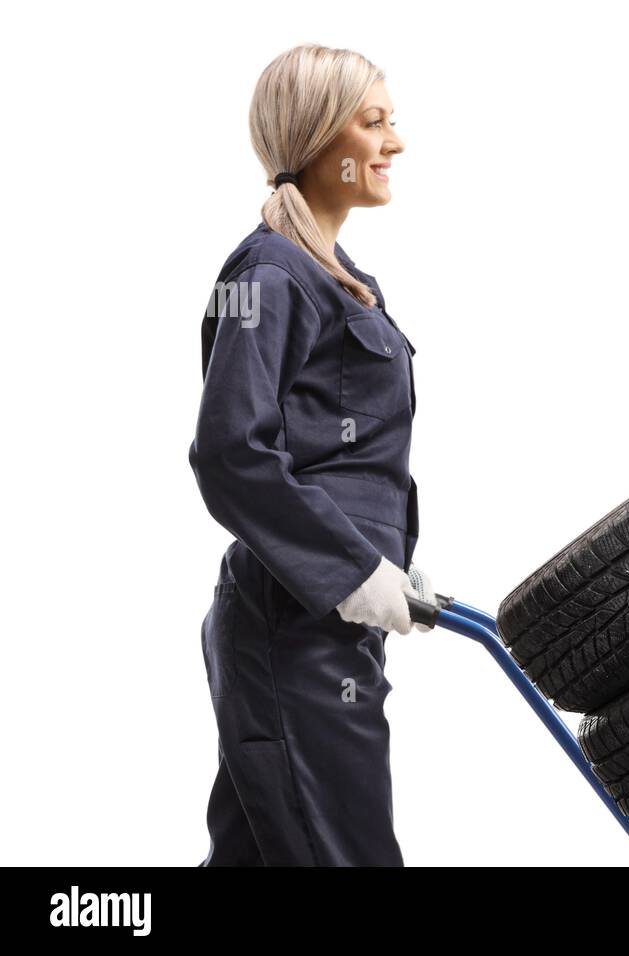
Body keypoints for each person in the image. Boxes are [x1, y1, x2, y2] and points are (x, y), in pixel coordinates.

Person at [190, 43, 424, 866]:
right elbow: (229, 452)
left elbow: (347, 460)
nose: (394, 143)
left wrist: (389, 563)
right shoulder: (265, 272)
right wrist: (352, 569)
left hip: (331, 628)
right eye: (374, 123)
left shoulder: (343, 278)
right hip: (294, 626)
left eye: (392, 121)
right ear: (322, 136)